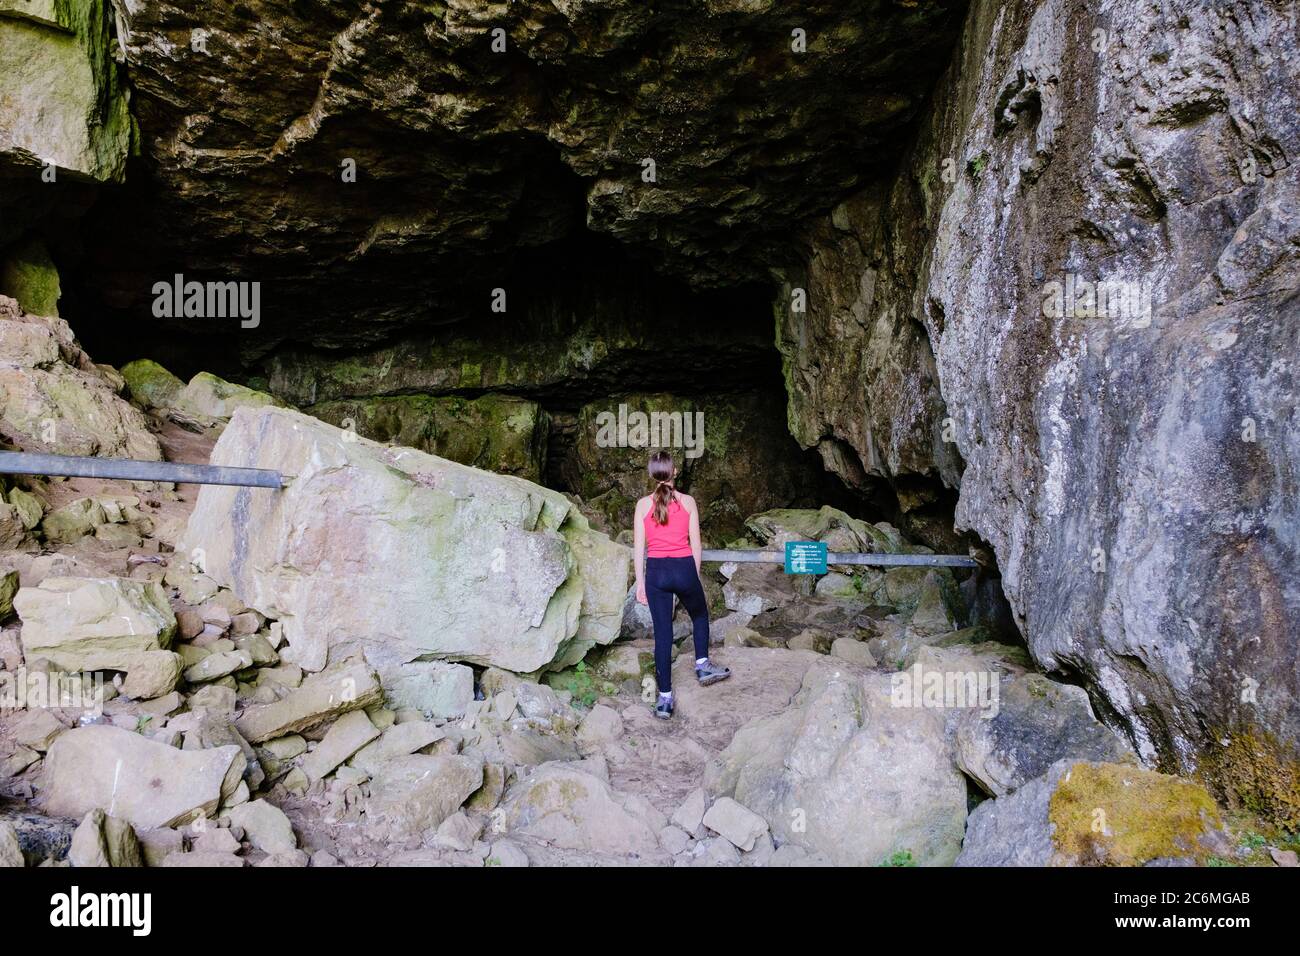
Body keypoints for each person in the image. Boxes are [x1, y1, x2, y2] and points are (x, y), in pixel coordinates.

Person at [633, 450, 730, 719]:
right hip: (683, 567)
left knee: (663, 635)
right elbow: (696, 544)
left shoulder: (642, 505)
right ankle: (702, 665)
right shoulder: (688, 502)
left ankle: (664, 700)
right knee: (699, 614)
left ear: (652, 474)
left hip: (656, 573)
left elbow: (639, 549)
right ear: (674, 472)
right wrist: (693, 576)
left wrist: (641, 583)